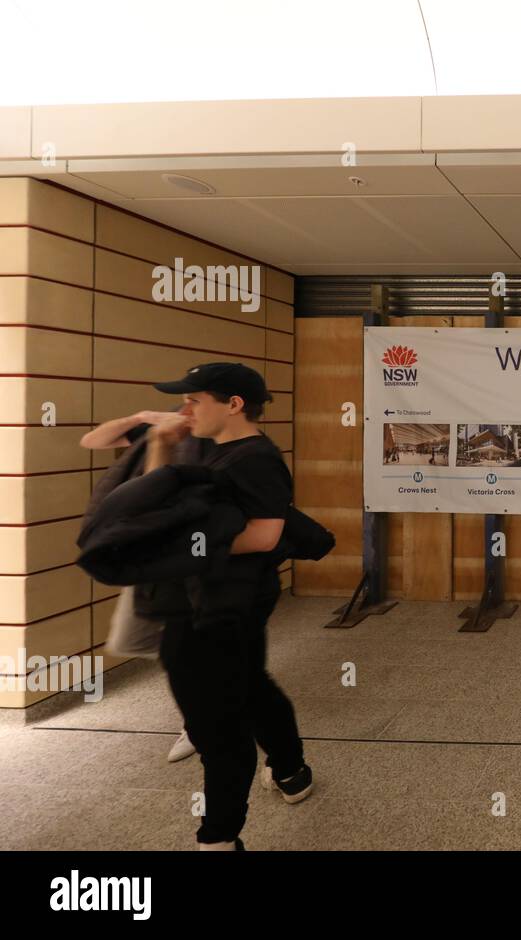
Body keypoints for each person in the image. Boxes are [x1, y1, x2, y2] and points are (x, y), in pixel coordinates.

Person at [145, 362, 313, 850]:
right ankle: (291, 770)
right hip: (196, 599)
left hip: (224, 603)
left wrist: (183, 545)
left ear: (234, 404)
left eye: (195, 400)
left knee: (219, 724)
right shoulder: (213, 451)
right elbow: (152, 505)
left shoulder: (255, 459)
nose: (185, 409)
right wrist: (160, 446)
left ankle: (218, 839)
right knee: (250, 688)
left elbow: (265, 535)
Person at [80, 408, 199, 765]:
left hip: (185, 558)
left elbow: (160, 495)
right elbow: (92, 440)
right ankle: (209, 674)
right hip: (147, 555)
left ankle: (197, 719)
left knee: (173, 643)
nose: (187, 407)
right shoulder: (153, 432)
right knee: (129, 640)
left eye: (196, 399)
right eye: (186, 401)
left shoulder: (209, 444)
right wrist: (136, 419)